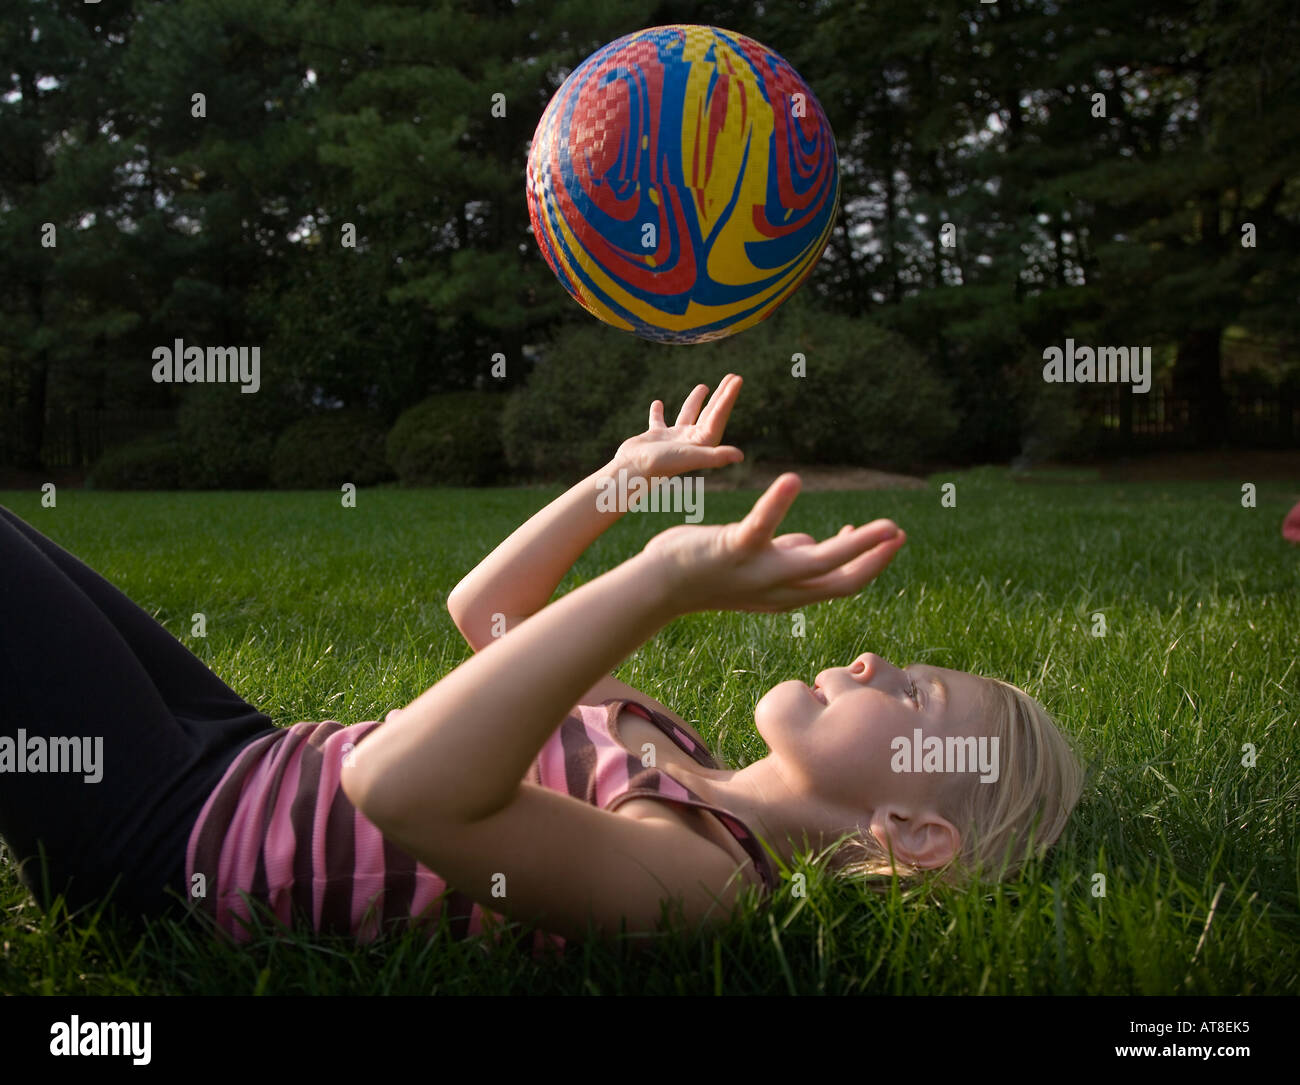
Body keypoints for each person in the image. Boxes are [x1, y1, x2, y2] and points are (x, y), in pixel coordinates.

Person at [0, 375, 1083, 953]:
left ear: (910, 832)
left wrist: (661, 580)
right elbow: (492, 614)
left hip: (171, 840)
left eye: (911, 691)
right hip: (243, 751)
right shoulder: (669, 743)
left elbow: (403, 788)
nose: (871, 655)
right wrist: (618, 478)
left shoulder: (701, 880)